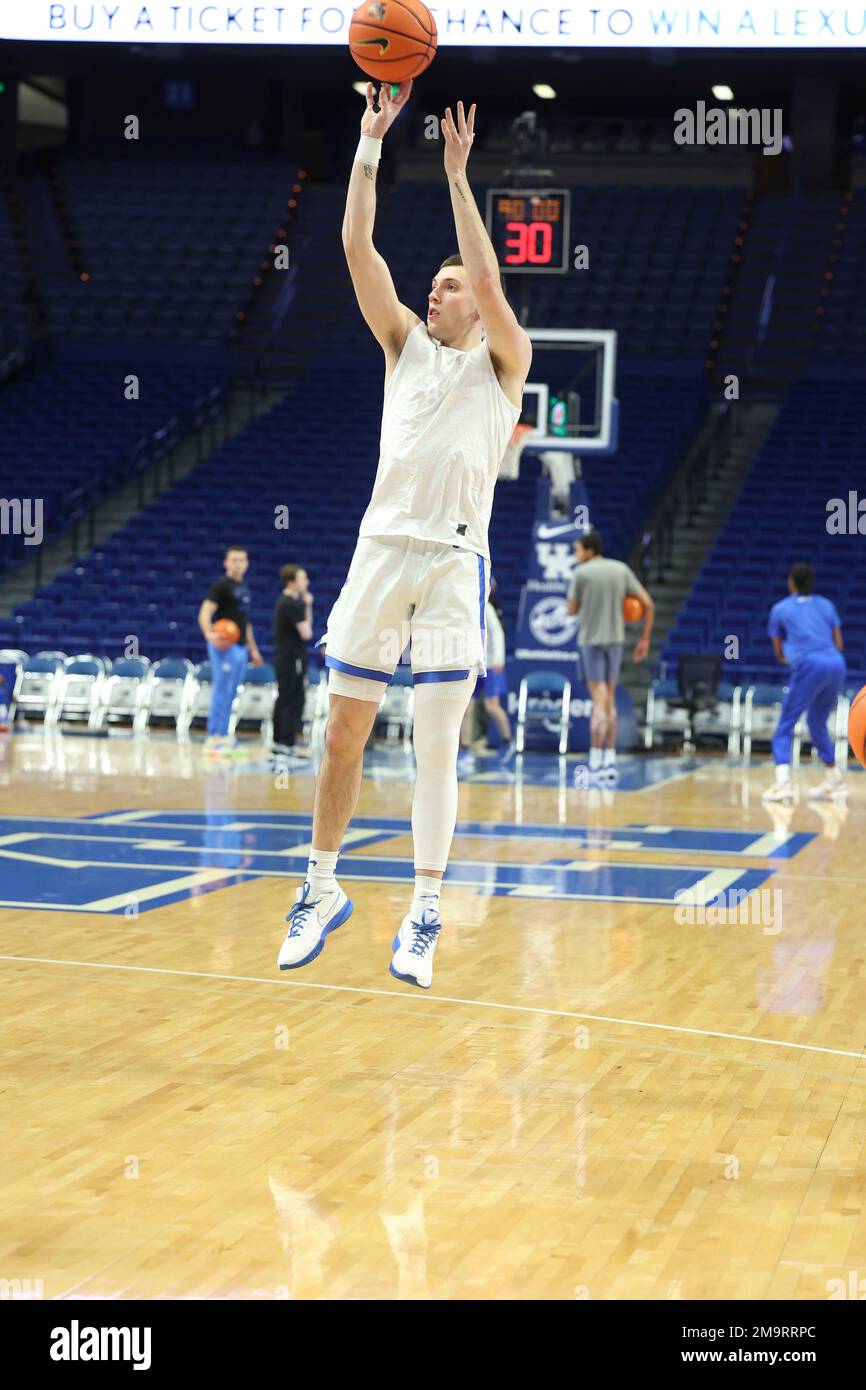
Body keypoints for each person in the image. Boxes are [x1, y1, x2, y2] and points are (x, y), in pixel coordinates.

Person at [277, 85, 531, 987]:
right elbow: (356, 246)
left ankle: (423, 913)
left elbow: (491, 277)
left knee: (434, 745)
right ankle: (320, 887)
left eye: (449, 284)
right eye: (435, 283)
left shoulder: (506, 365)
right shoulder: (404, 348)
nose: (438, 288)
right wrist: (368, 145)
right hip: (383, 547)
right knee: (342, 732)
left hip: (458, 562)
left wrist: (460, 177)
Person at [565, 529, 654, 774]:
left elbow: (570, 611)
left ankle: (595, 757)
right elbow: (648, 604)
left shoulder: (581, 573)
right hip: (615, 641)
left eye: (578, 550)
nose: (576, 554)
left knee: (599, 702)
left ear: (589, 550)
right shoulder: (620, 569)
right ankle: (610, 758)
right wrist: (644, 639)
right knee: (610, 700)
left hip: (590, 642)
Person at [763, 562, 847, 802]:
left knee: (785, 725)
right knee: (816, 721)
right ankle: (835, 781)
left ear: (791, 583)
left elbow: (778, 648)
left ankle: (783, 785)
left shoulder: (780, 608)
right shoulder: (826, 604)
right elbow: (838, 643)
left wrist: (788, 658)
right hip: (836, 664)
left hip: (810, 664)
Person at [198, 545, 262, 755]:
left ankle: (224, 736)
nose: (238, 564)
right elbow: (205, 611)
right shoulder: (221, 585)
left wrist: (253, 649)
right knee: (222, 690)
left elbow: (246, 622)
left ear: (247, 563)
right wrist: (209, 634)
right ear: (226, 563)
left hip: (241, 647)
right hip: (224, 646)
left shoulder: (243, 586)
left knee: (232, 691)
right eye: (234, 560)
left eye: (242, 560)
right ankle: (214, 737)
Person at [460, 577, 513, 756]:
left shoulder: (487, 607)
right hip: (473, 665)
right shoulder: (466, 607)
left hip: (490, 665)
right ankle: (465, 747)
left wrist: (498, 659)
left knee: (492, 706)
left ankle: (507, 740)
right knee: (467, 707)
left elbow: (498, 633)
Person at [273, 564, 313, 761]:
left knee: (285, 697)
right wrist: (308, 605)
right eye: (303, 578)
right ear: (291, 582)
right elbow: (307, 633)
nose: (307, 582)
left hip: (284, 658)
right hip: (292, 659)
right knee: (294, 699)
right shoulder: (291, 604)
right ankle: (286, 744)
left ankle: (279, 742)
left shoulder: (284, 602)